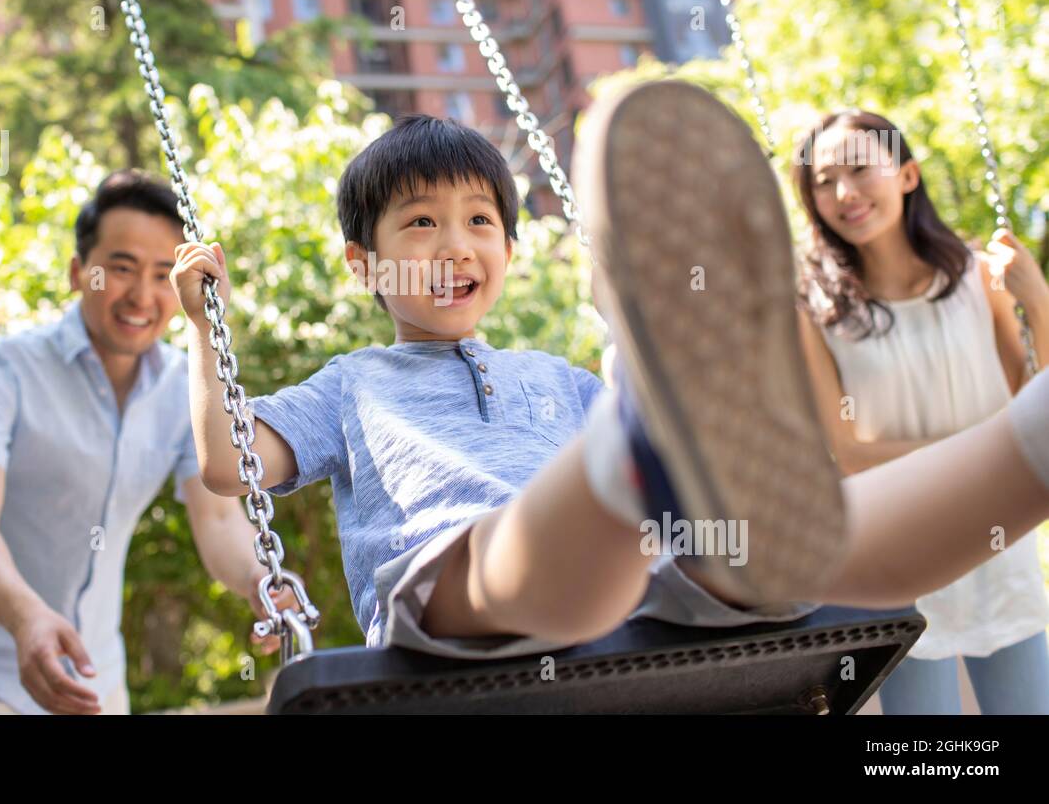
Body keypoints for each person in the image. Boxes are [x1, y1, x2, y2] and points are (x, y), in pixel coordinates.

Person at [172, 81, 1049, 664]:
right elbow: (226, 458)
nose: (456, 243)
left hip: (631, 587)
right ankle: (641, 444)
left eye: (481, 220)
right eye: (419, 223)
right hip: (451, 605)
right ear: (363, 265)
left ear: (509, 252)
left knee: (803, 555)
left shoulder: (555, 379)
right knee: (526, 558)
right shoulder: (353, 383)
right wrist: (204, 333)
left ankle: (1031, 443)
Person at [0, 170, 291, 715]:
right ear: (77, 272)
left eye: (164, 274)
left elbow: (220, 522)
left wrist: (258, 578)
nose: (142, 294)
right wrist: (26, 618)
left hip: (94, 674)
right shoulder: (0, 371)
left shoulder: (183, 390)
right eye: (120, 268)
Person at [793, 108, 1049, 714]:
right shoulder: (813, 307)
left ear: (907, 175)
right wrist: (990, 459)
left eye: (859, 170)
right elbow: (850, 450)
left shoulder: (978, 278)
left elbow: (1033, 404)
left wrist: (1037, 300)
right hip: (902, 557)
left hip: (997, 547)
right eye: (824, 182)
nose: (844, 193)